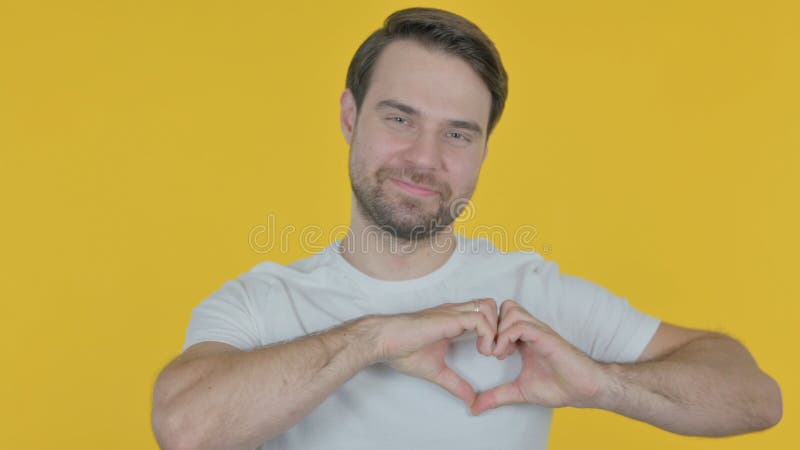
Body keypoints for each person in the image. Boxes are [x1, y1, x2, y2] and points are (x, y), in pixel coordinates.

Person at [151, 7, 782, 450]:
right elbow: (184, 427)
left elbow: (755, 397)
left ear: (484, 149)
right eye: (400, 119)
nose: (425, 159)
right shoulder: (263, 303)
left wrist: (606, 385)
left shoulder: (532, 299)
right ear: (350, 116)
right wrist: (373, 338)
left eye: (457, 133)